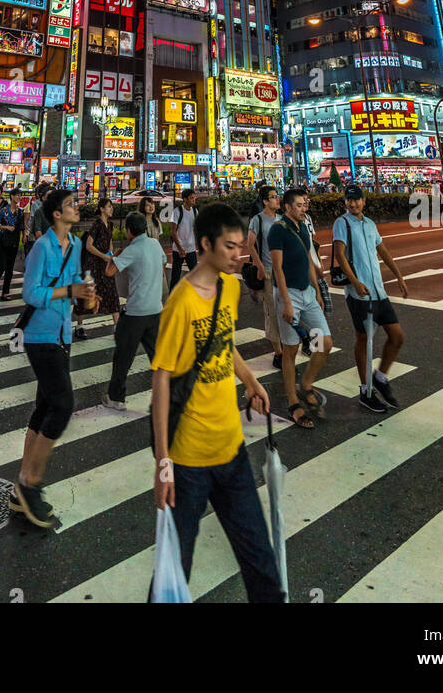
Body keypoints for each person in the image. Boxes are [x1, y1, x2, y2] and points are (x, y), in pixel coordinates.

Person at [151, 201, 283, 603]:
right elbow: (160, 385)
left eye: (240, 246)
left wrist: (250, 381)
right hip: (189, 461)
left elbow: (223, 344)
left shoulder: (229, 286)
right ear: (205, 244)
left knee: (261, 559)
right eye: (229, 247)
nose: (237, 255)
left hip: (232, 450)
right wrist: (163, 464)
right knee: (174, 568)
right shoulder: (181, 302)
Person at [10, 187, 95, 527]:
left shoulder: (73, 245)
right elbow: (29, 291)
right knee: (62, 404)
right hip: (39, 335)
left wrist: (84, 296)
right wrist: (68, 291)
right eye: (71, 205)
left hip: (62, 333)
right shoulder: (41, 247)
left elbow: (73, 280)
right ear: (56, 214)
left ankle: (21, 486)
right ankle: (31, 482)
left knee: (45, 406)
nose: (77, 208)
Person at [332, 183, 408, 415]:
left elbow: (382, 251)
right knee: (364, 339)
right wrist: (354, 282)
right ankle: (366, 390)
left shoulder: (370, 223)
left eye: (356, 200)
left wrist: (399, 276)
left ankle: (380, 377)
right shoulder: (342, 223)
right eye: (348, 200)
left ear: (364, 201)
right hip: (359, 293)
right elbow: (339, 255)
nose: (352, 203)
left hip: (378, 291)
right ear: (345, 202)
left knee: (397, 336)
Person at [269, 187, 333, 429]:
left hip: (307, 292)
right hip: (289, 296)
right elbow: (277, 269)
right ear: (287, 207)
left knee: (324, 342)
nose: (303, 208)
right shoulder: (278, 230)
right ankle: (293, 402)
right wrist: (286, 301)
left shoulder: (303, 227)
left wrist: (316, 290)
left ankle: (306, 383)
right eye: (298, 205)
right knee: (290, 350)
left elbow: (308, 259)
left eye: (304, 205)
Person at [100, 211, 165, 409]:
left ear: (129, 231)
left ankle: (116, 398)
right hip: (155, 309)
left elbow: (109, 272)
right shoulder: (155, 244)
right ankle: (168, 395)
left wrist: (114, 256)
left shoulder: (131, 249)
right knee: (159, 357)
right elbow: (162, 263)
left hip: (135, 312)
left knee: (123, 356)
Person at [246, 185, 283, 370]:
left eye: (278, 196)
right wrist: (259, 265)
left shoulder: (282, 219)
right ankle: (278, 353)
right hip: (268, 273)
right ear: (265, 201)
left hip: (283, 273)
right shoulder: (258, 220)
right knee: (272, 311)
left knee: (286, 310)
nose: (277, 199)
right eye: (273, 197)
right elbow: (249, 244)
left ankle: (285, 346)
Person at [84, 197, 120, 325]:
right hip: (94, 264)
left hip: (105, 264)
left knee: (113, 293)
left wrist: (110, 254)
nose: (112, 208)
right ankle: (79, 326)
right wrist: (103, 256)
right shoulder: (97, 224)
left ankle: (117, 327)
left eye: (111, 206)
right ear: (102, 209)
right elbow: (89, 245)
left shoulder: (110, 224)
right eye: (109, 206)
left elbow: (109, 241)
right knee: (89, 295)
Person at [0, 189, 26, 299]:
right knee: (1, 266)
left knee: (10, 269)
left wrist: (24, 235)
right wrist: (6, 227)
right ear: (11, 196)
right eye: (17, 196)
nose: (19, 198)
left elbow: (22, 226)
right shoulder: (3, 211)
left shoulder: (20, 212)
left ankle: (5, 293)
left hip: (14, 242)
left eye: (20, 196)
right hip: (3, 241)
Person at [169, 187, 198, 290]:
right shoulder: (177, 212)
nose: (194, 200)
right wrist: (180, 249)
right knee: (176, 276)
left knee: (195, 275)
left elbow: (195, 229)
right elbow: (173, 231)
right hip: (178, 249)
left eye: (194, 198)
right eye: (191, 198)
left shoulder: (195, 211)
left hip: (191, 249)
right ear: (185, 199)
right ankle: (172, 297)